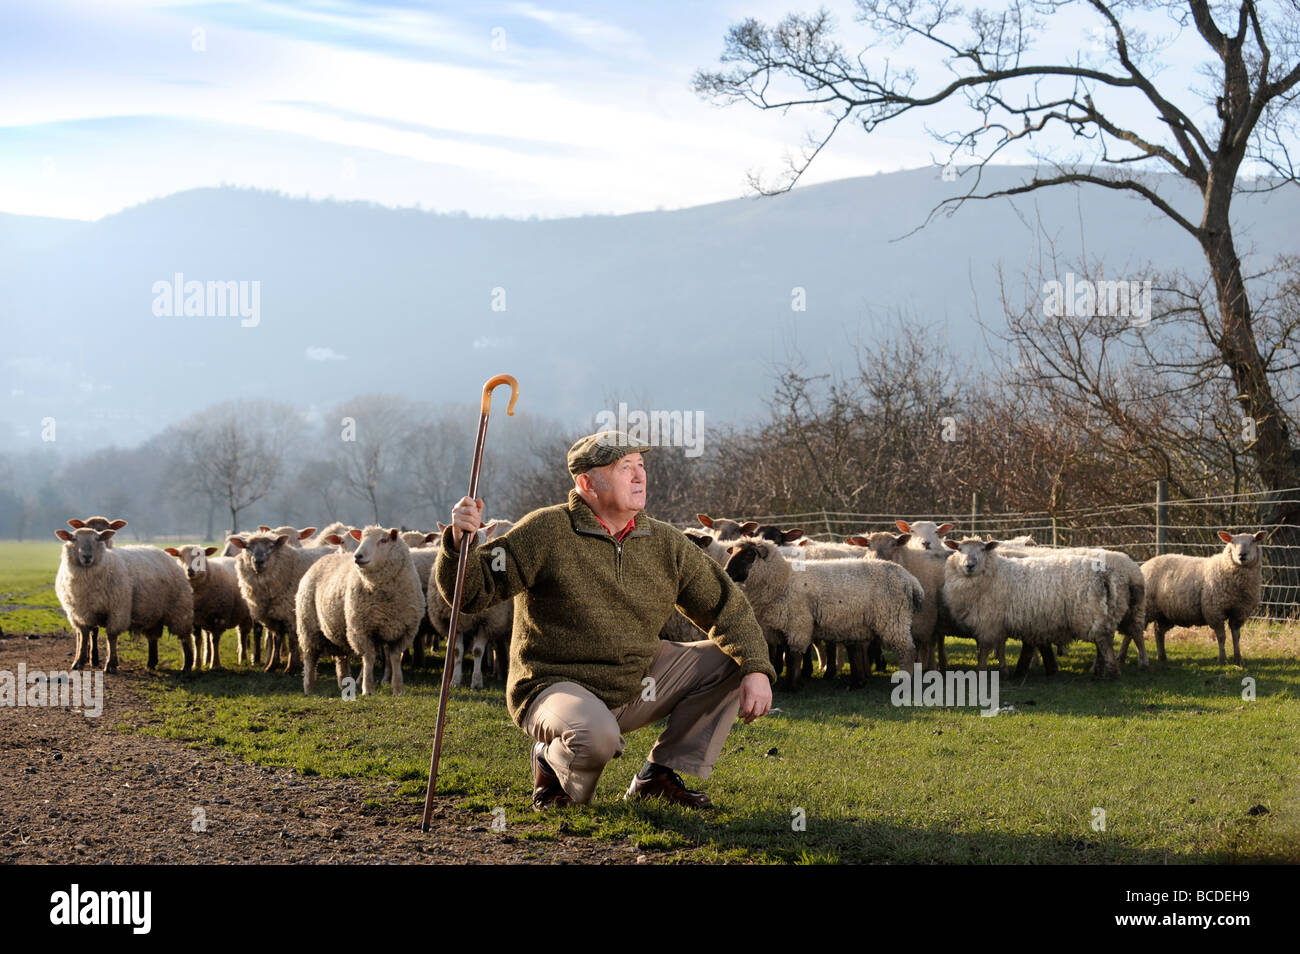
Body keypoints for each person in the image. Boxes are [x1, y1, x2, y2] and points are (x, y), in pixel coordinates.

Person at [434, 430, 776, 810]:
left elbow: (726, 606)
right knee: (597, 737)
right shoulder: (546, 531)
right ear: (587, 483)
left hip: (635, 680)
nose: (638, 476)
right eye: (623, 467)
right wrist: (458, 543)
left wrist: (756, 668)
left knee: (734, 658)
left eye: (641, 466)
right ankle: (550, 762)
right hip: (554, 685)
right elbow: (470, 593)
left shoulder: (663, 542)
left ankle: (657, 776)